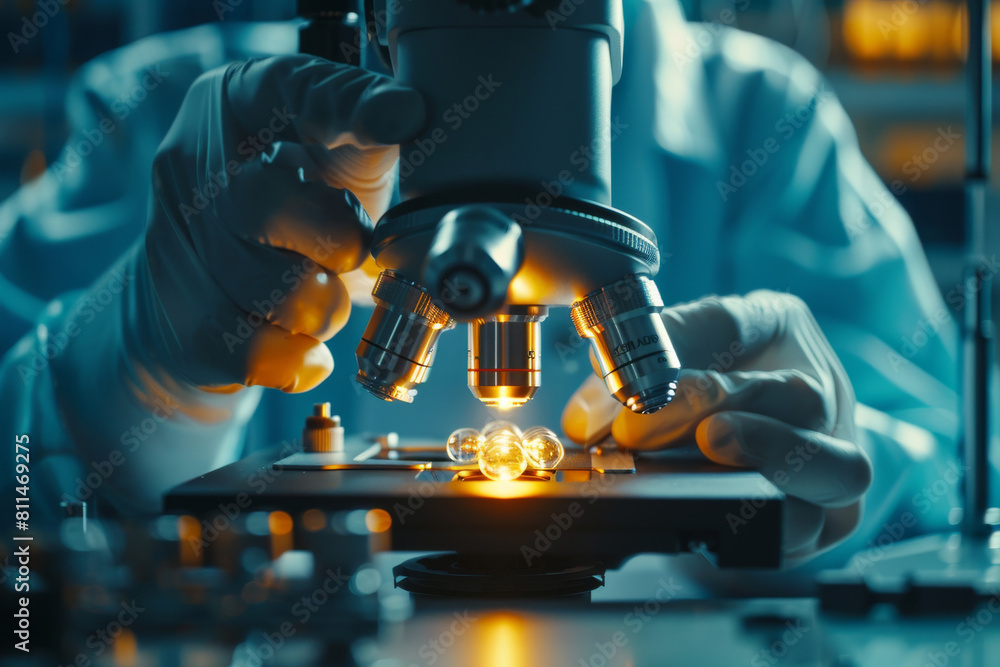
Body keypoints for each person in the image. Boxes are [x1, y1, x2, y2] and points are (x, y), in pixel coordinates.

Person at [0, 0, 960, 573]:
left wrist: (842, 462)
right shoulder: (147, 114)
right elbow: (19, 573)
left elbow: (959, 489)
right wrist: (116, 376)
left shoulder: (769, 124)